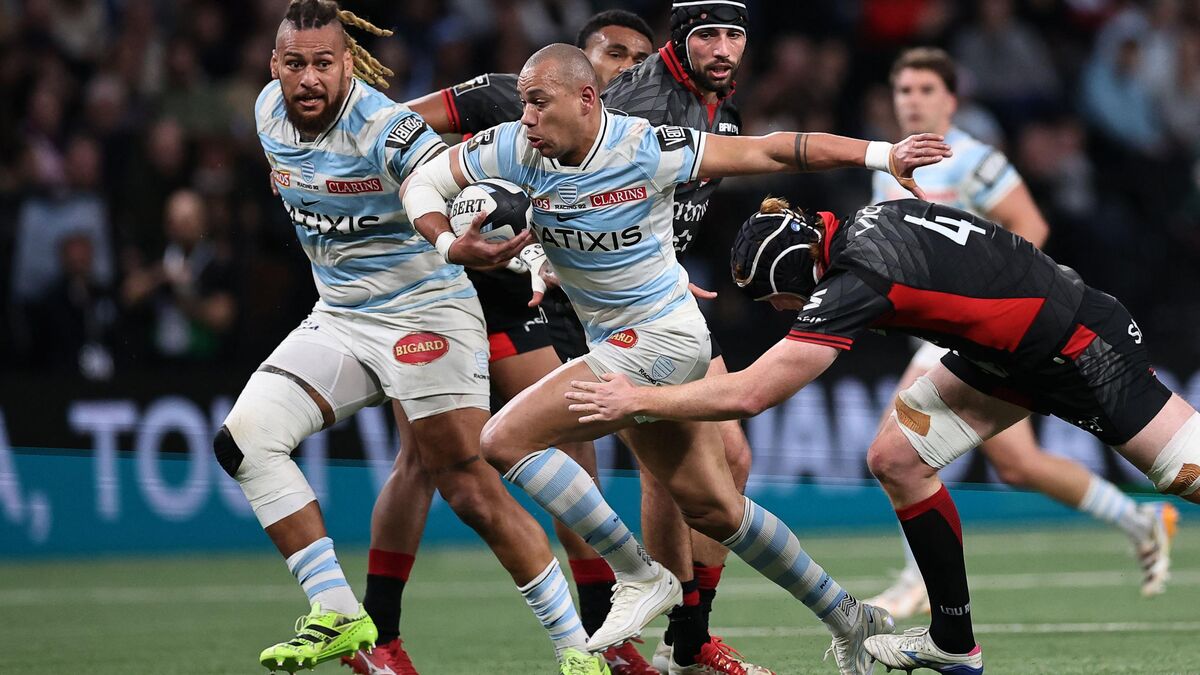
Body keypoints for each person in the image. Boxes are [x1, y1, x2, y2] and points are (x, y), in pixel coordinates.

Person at [400, 43, 951, 674]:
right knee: (717, 509)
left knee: (502, 440)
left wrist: (883, 153)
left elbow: (773, 149)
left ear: (585, 101)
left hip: (665, 338)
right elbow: (425, 179)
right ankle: (846, 614)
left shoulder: (646, 147)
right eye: (523, 102)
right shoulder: (512, 148)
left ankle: (637, 574)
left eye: (537, 103)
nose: (525, 118)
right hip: (613, 337)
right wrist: (448, 242)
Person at [564, 196, 1200, 674]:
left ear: (791, 272)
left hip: (1080, 347)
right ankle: (954, 645)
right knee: (897, 457)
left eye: (772, 299)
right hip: (1010, 352)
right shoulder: (868, 221)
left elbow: (752, 394)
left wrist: (637, 397)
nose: (777, 311)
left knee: (1187, 478)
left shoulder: (856, 281)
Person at [220, 3, 607, 673]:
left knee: (468, 486)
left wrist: (456, 237)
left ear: (349, 64)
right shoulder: (266, 113)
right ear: (272, 65)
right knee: (244, 441)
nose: (308, 78)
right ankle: (339, 612)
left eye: (323, 63)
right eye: (294, 64)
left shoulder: (386, 127)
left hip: (426, 312)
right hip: (340, 317)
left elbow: (439, 178)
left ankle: (580, 651)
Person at [342, 10, 658, 675]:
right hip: (437, 280)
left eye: (639, 58)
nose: (626, 68)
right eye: (613, 53)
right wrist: (439, 215)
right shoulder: (500, 97)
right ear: (580, 64)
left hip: (524, 294)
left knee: (574, 438)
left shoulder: (627, 139)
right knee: (422, 462)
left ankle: (605, 629)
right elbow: (386, 134)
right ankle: (382, 640)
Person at [866, 47, 1177, 618]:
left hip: (981, 326)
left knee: (900, 445)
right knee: (1018, 466)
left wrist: (996, 298)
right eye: (903, 90)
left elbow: (1031, 225)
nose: (912, 100)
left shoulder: (976, 161)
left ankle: (916, 582)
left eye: (925, 90)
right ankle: (1139, 518)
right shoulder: (890, 166)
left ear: (951, 99)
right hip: (941, 332)